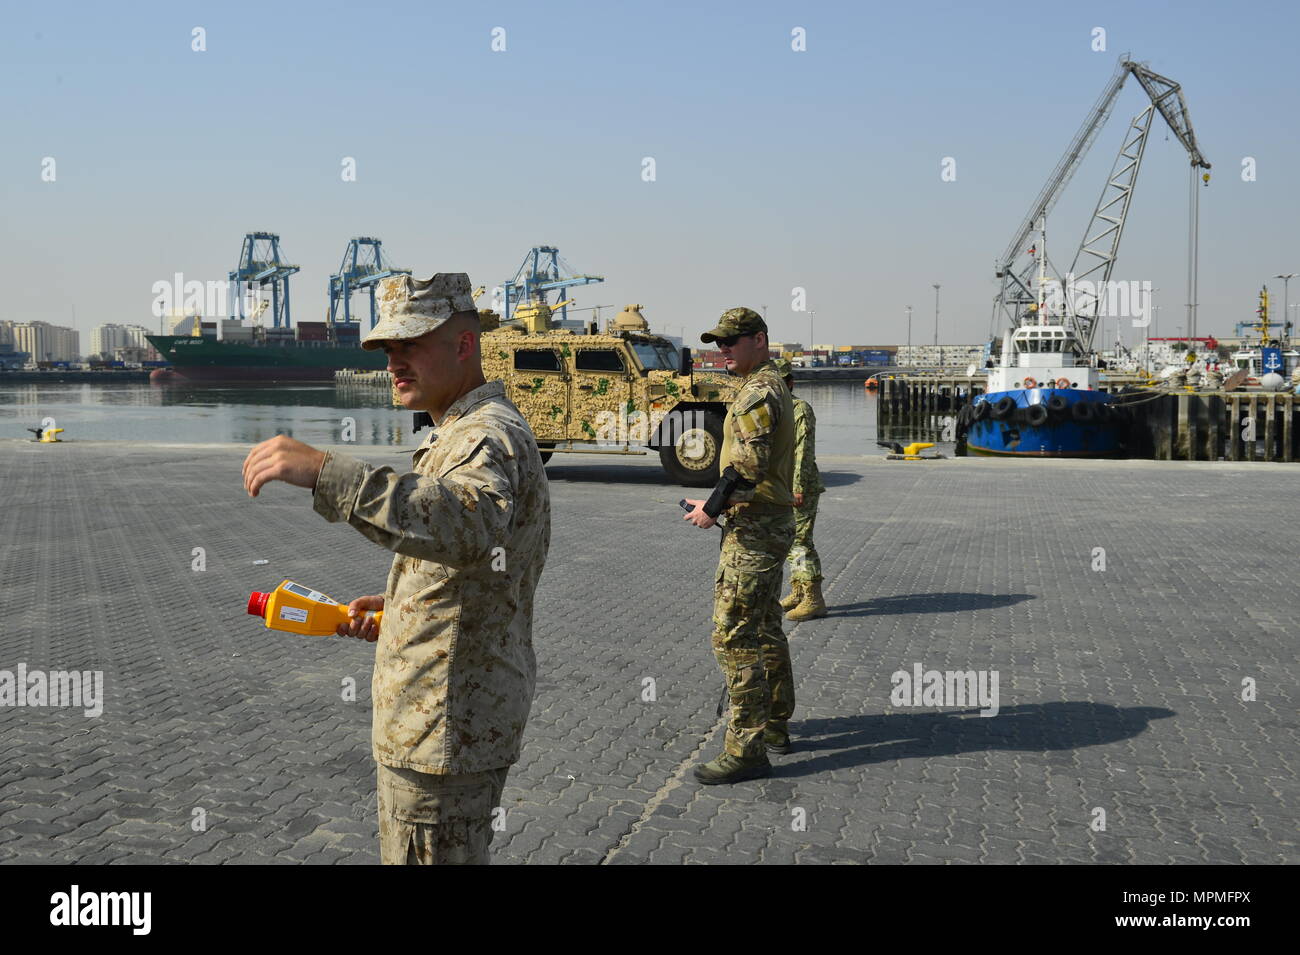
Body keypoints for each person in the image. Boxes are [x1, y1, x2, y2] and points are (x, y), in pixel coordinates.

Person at [240, 272, 550, 864]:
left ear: (464, 345)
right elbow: (481, 560)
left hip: (443, 729)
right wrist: (404, 607)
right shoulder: (466, 429)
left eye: (411, 345)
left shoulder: (484, 436)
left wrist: (330, 473)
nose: (394, 363)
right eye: (387, 350)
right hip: (445, 720)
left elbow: (466, 521)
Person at [683, 307, 796, 784]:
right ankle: (774, 724)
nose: (722, 350)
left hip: (754, 531)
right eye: (718, 342)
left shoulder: (757, 392)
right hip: (766, 522)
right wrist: (714, 500)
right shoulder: (769, 385)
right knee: (766, 624)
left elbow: (747, 466)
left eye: (731, 341)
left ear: (760, 340)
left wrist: (712, 507)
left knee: (733, 634)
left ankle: (747, 747)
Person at [773, 358, 827, 620]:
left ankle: (813, 598)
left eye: (781, 383)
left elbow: (804, 452)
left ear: (790, 383)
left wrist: (798, 488)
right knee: (789, 541)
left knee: (801, 541)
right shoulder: (774, 409)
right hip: (780, 486)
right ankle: (798, 592)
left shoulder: (799, 409)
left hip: (799, 487)